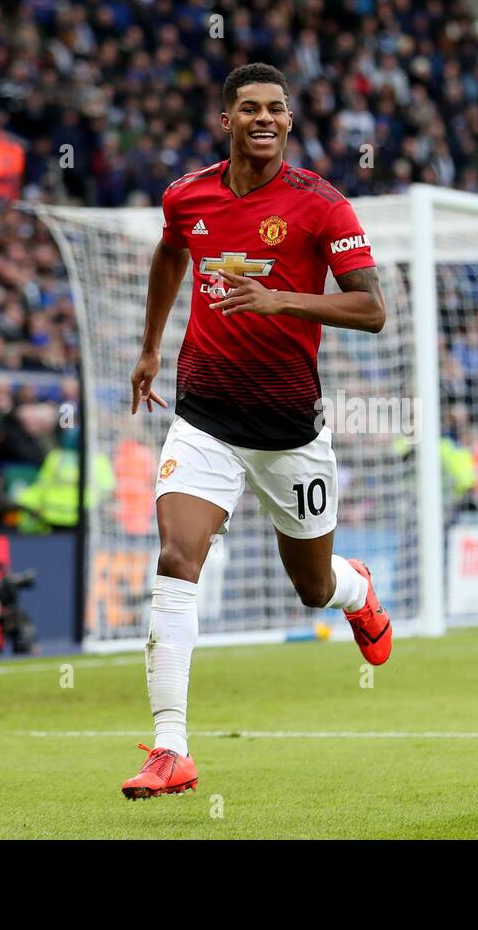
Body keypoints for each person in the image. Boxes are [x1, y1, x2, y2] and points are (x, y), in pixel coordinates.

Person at [122, 64, 391, 799]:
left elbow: (372, 311)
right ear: (226, 120)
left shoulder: (322, 207)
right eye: (249, 108)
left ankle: (356, 589)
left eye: (276, 108)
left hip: (289, 432)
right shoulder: (188, 195)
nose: (263, 118)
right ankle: (171, 747)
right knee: (178, 556)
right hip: (204, 417)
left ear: (290, 121)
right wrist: (151, 345)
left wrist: (280, 300)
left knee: (312, 586)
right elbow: (172, 251)